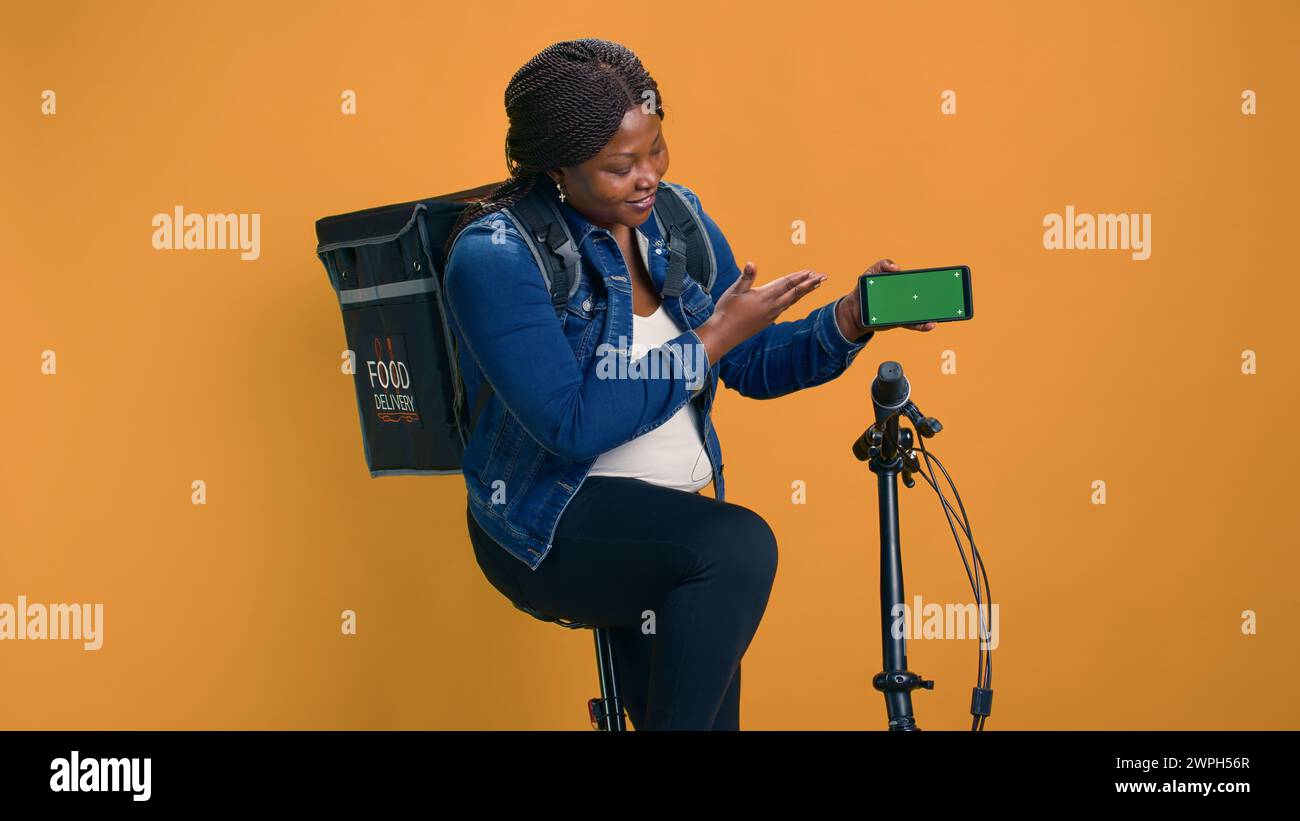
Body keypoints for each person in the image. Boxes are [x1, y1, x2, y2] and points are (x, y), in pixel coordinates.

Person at [442, 38, 935, 730]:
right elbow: (570, 422)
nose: (648, 177)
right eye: (621, 167)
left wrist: (850, 319)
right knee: (735, 547)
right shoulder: (495, 255)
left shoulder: (676, 220)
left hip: (667, 523)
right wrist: (710, 338)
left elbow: (751, 363)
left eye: (656, 151)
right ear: (558, 166)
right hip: (547, 526)